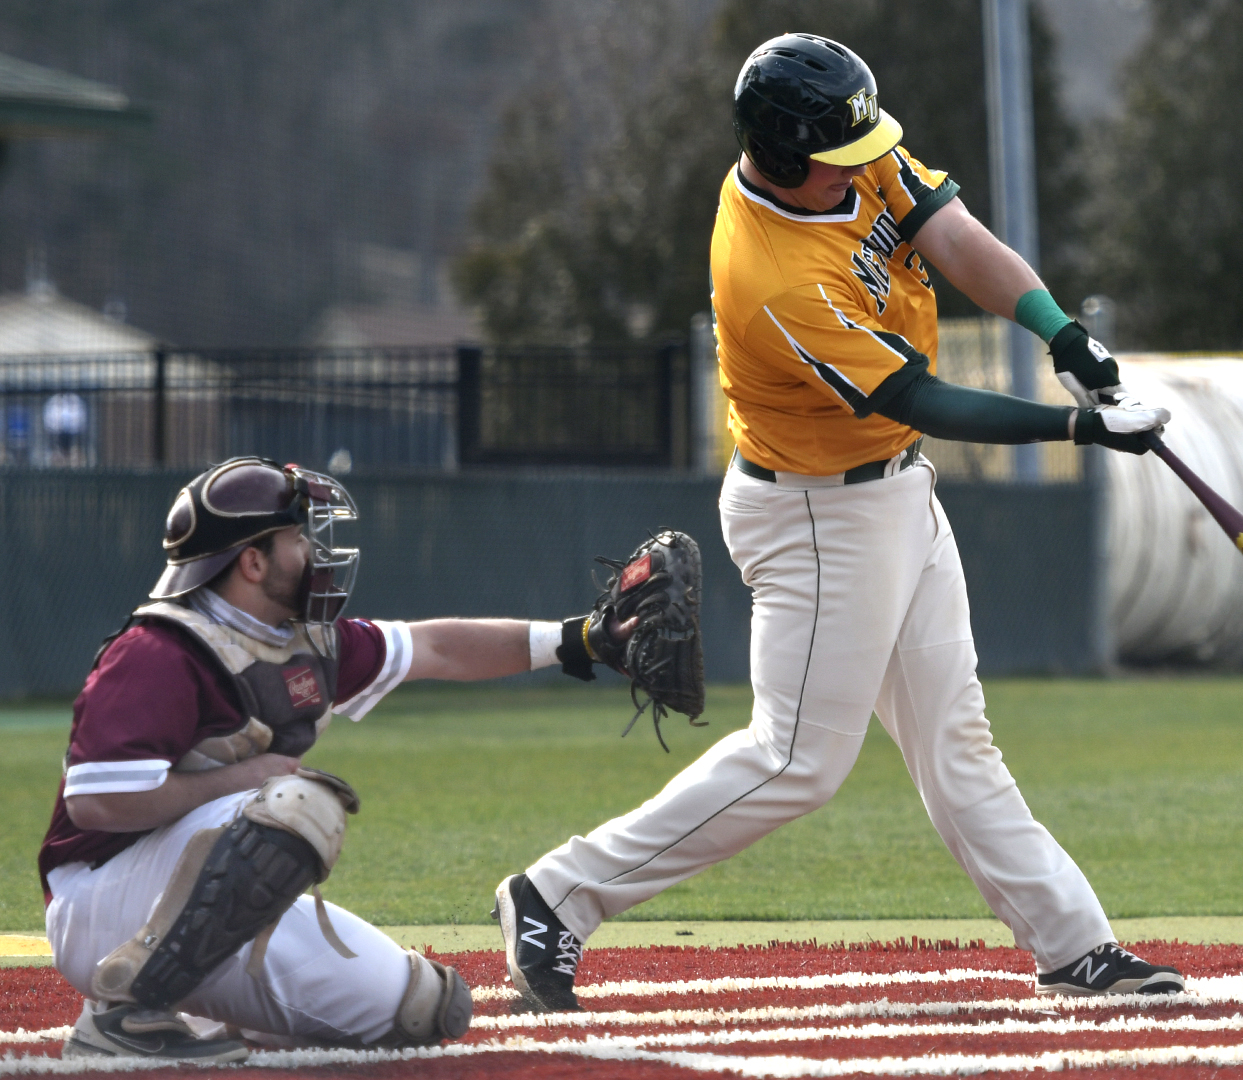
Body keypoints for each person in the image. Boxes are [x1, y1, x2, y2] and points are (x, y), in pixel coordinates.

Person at [492, 33, 1180, 1011]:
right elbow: (926, 399)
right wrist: (1080, 426)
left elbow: (951, 234)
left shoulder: (846, 154)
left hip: (894, 493)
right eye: (840, 157)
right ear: (782, 154)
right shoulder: (770, 276)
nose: (866, 167)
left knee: (956, 738)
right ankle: (555, 895)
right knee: (797, 762)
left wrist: (1065, 336)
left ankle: (1075, 945)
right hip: (816, 516)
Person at [39, 456, 621, 1062]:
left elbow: (437, 648)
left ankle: (212, 1020)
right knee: (296, 806)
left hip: (200, 897)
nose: (314, 550)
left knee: (426, 1008)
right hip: (99, 905)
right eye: (297, 536)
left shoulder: (299, 638)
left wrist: (582, 640)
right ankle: (125, 1016)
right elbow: (97, 802)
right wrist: (242, 781)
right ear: (253, 561)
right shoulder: (158, 651)